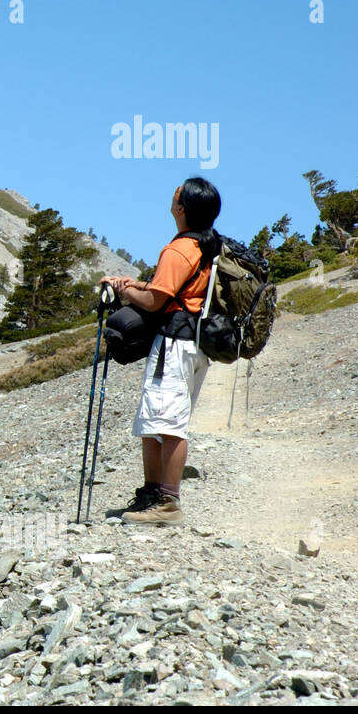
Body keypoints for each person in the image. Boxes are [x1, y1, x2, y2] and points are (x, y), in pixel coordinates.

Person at [100, 177, 222, 526]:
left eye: (177, 192)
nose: (172, 193)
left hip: (174, 342)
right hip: (194, 343)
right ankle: (152, 494)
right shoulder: (207, 244)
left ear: (181, 208)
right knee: (157, 421)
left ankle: (168, 504)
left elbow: (155, 302)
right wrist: (135, 284)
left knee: (168, 423)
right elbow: (169, 290)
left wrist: (125, 294)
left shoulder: (178, 249)